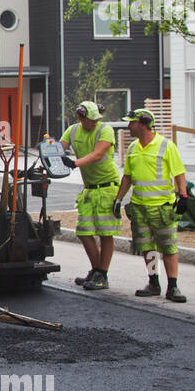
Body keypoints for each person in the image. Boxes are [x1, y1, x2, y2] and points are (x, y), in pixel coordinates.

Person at [114, 108, 189, 303]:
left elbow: (179, 173)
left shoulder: (166, 146)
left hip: (162, 207)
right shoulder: (132, 148)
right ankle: (153, 282)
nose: (129, 126)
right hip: (140, 208)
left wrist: (183, 196)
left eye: (132, 122)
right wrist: (118, 199)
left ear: (143, 123)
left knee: (168, 247)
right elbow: (127, 177)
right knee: (147, 246)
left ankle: (173, 286)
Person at [61, 100, 121, 291]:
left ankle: (101, 274)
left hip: (107, 187)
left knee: (105, 232)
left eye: (96, 119)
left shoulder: (105, 130)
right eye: (91, 120)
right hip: (89, 188)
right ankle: (97, 270)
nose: (94, 123)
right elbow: (59, 147)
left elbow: (97, 154)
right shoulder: (72, 131)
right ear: (80, 117)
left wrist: (74, 163)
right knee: (84, 232)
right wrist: (49, 150)